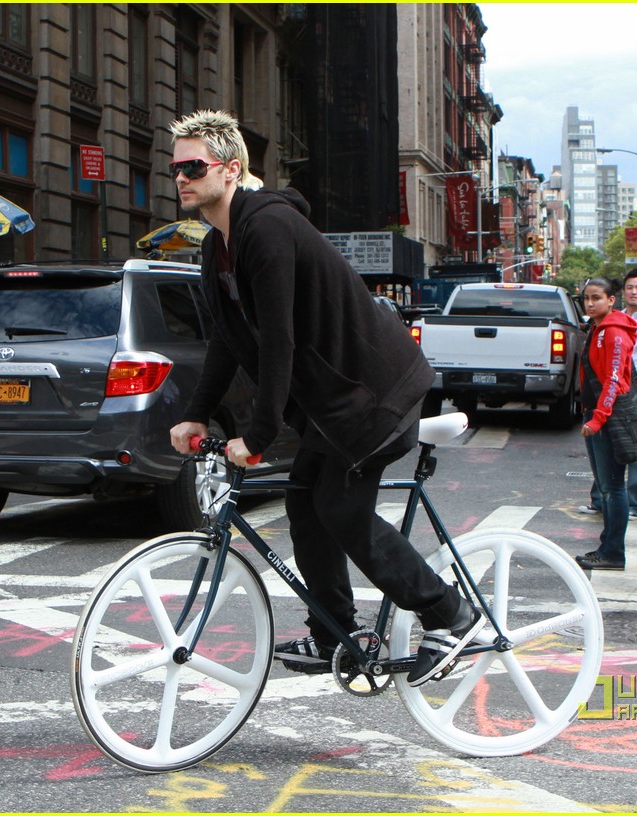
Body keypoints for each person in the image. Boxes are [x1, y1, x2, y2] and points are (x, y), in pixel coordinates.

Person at [164, 109, 480, 686]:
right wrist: (194, 413)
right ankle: (333, 629)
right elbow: (228, 344)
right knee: (305, 507)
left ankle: (451, 614)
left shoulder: (266, 227)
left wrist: (257, 435)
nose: (181, 176)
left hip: (373, 391)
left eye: (193, 165)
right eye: (175, 167)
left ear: (231, 169)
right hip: (331, 405)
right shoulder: (218, 247)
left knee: (340, 508)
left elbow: (280, 340)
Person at [582, 271, 637, 520]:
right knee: (608, 471)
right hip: (609, 401)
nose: (634, 292)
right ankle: (600, 503)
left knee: (636, 459)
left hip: (631, 400)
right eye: (629, 287)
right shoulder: (604, 323)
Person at [573, 278, 637, 571]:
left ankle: (613, 551)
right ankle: (608, 548)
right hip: (596, 414)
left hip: (608, 417)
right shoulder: (597, 328)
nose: (589, 304)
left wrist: (598, 419)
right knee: (605, 487)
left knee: (612, 488)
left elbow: (614, 379)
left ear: (611, 300)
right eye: (586, 298)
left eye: (596, 298)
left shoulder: (612, 332)